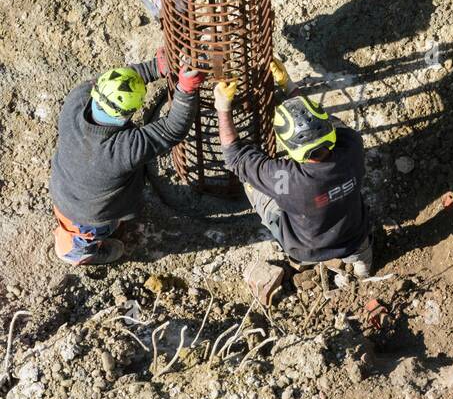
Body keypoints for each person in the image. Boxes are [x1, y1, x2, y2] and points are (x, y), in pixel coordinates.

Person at [50, 52, 203, 266]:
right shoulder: (121, 149)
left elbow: (113, 81)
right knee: (104, 228)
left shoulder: (77, 100)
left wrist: (156, 66)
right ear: (125, 116)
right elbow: (172, 130)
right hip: (89, 216)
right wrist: (186, 91)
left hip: (63, 189)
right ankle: (78, 250)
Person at [215, 73, 372, 277]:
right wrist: (290, 87)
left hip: (304, 249)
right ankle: (363, 269)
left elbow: (235, 158)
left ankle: (302, 263)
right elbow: (330, 123)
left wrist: (223, 109)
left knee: (253, 184)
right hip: (353, 238)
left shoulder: (287, 180)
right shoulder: (352, 146)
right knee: (362, 258)